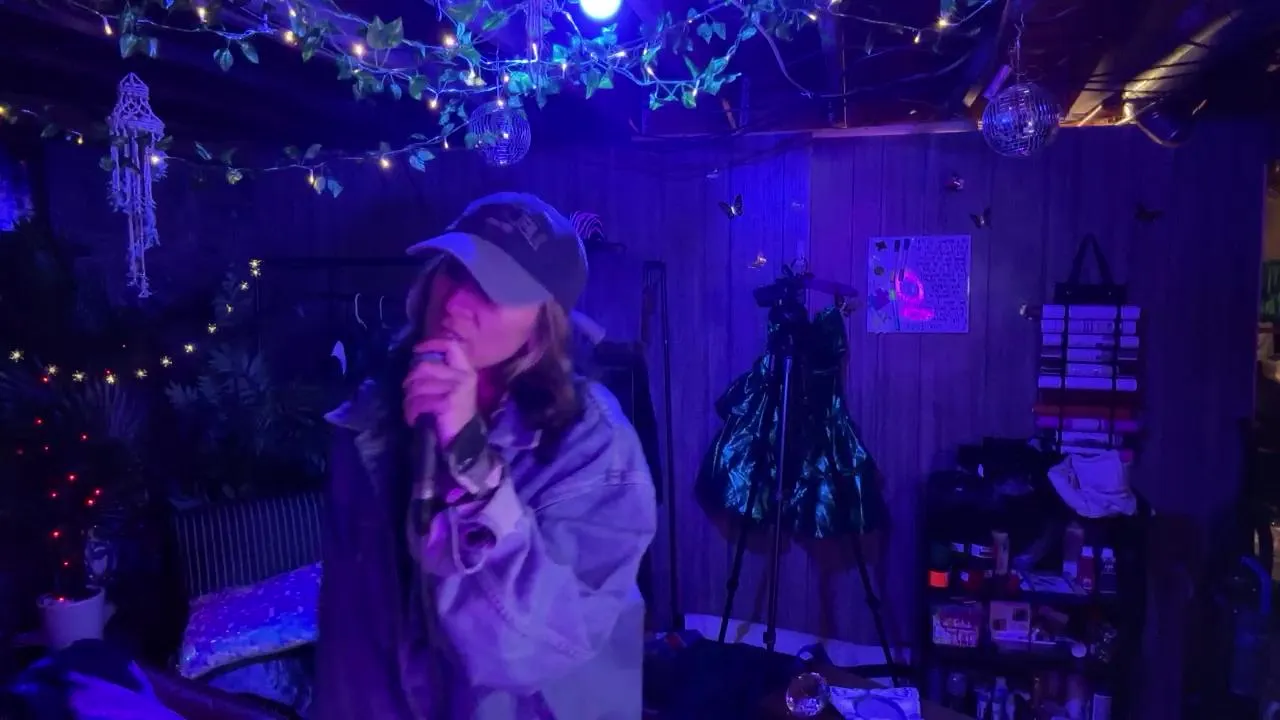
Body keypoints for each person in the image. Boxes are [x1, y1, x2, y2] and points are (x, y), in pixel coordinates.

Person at [316, 192, 657, 719]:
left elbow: (522, 653)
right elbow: (350, 630)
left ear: (543, 323)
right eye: (454, 271)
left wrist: (469, 459)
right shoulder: (369, 421)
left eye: (494, 290)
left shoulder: (594, 448)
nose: (456, 303)